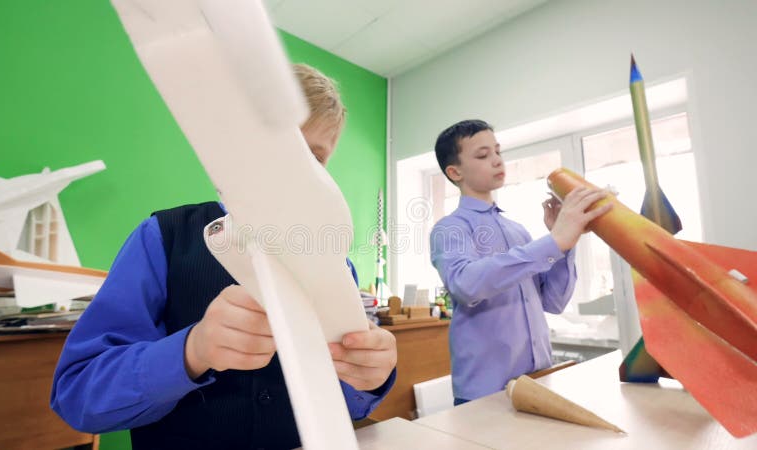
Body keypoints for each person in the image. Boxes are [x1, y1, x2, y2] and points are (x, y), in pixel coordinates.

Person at [51, 64, 397, 450]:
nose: (294, 170)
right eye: (278, 146)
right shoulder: (162, 238)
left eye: (314, 159)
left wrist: (372, 375)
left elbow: (350, 399)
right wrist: (191, 351)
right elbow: (77, 396)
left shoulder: (335, 261)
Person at [429, 119, 611, 405]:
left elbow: (553, 302)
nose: (496, 160)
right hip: (485, 392)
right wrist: (554, 242)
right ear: (455, 172)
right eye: (482, 155)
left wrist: (564, 242)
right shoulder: (450, 228)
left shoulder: (518, 231)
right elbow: (465, 285)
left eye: (497, 152)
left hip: (538, 379)